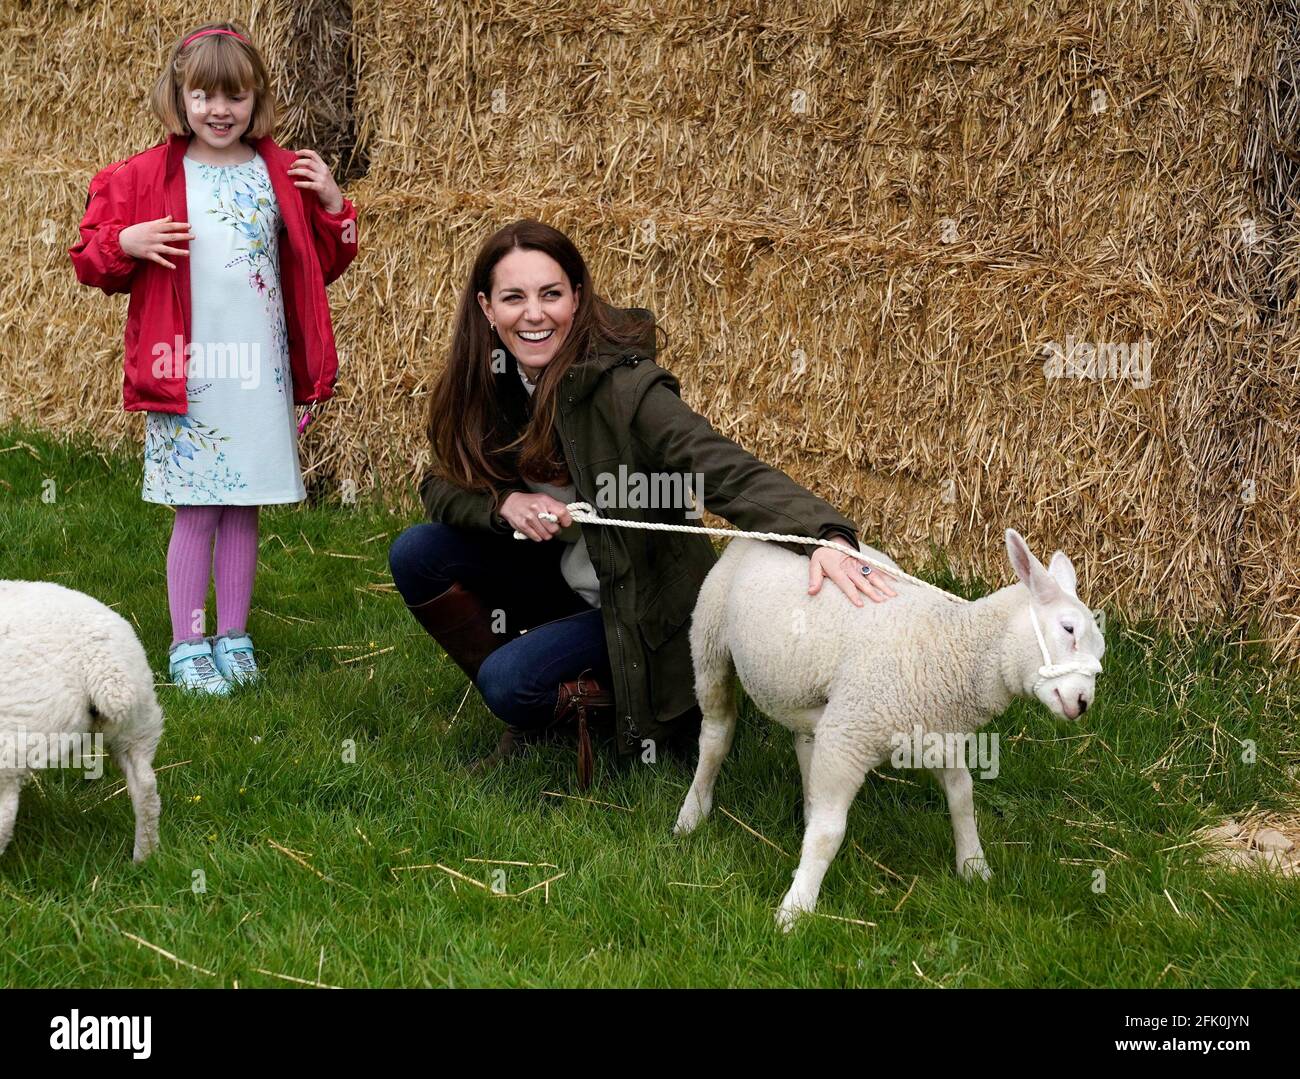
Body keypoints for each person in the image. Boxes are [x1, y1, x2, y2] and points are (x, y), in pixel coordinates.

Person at [389, 219, 897, 783]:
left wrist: (822, 534)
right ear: (487, 307)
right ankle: (548, 687)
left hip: (636, 601)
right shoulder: (493, 381)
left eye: (551, 294)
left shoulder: (627, 389)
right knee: (418, 552)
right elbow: (440, 484)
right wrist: (503, 503)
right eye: (514, 297)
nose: (534, 314)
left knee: (510, 684)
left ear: (577, 299)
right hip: (566, 578)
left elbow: (720, 465)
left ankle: (594, 702)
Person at [69, 21, 359, 694]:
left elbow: (323, 264)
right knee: (198, 505)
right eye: (204, 96)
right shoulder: (146, 175)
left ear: (257, 99)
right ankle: (187, 642)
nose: (219, 110)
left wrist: (335, 204)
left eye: (235, 96)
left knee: (245, 503)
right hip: (188, 371)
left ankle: (234, 634)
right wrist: (127, 240)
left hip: (258, 373)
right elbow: (90, 258)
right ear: (180, 96)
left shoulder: (278, 174)